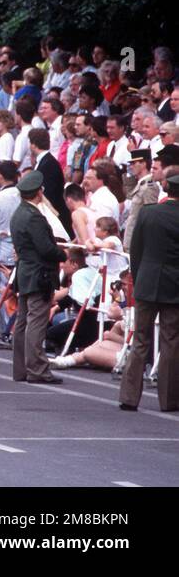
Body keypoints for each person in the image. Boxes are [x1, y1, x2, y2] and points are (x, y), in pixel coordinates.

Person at [119, 172, 179, 412]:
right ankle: (169, 399)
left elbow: (136, 249)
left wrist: (139, 275)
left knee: (140, 340)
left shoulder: (148, 212)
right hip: (174, 285)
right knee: (171, 342)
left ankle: (129, 396)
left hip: (147, 280)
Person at [9, 171, 66, 385]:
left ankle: (22, 368)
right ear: (39, 192)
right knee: (36, 322)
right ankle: (37, 368)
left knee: (23, 322)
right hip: (39, 274)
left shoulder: (18, 214)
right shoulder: (34, 217)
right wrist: (62, 254)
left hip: (25, 272)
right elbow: (46, 249)